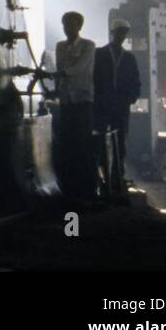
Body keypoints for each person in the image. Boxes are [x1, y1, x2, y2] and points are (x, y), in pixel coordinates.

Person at [94, 18, 141, 193]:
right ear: (113, 33)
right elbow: (94, 79)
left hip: (119, 108)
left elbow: (135, 82)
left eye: (124, 33)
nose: (121, 35)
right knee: (99, 142)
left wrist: (129, 99)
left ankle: (116, 178)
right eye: (119, 32)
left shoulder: (129, 58)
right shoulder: (99, 54)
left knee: (120, 143)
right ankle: (101, 177)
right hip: (102, 107)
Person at [54, 12, 97, 204]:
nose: (67, 28)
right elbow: (60, 69)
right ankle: (70, 189)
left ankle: (87, 190)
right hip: (66, 102)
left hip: (82, 101)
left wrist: (60, 73)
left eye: (71, 25)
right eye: (65, 25)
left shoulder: (89, 46)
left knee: (83, 147)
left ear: (79, 26)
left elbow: (78, 68)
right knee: (68, 147)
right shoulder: (60, 46)